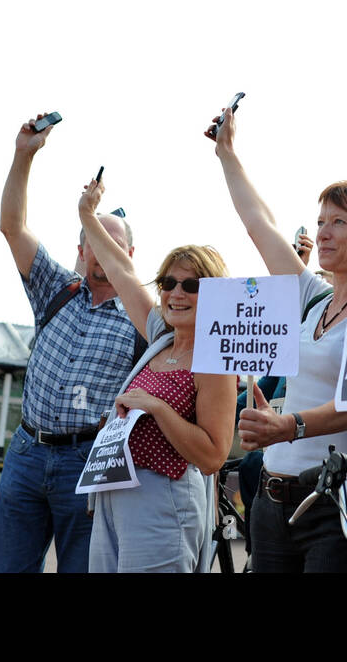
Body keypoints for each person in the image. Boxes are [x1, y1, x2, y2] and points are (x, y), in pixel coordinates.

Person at [211, 104, 347, 572]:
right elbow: (259, 226)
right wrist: (227, 154)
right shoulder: (313, 297)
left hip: (338, 505)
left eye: (338, 222)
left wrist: (287, 426)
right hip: (271, 501)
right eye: (320, 222)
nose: (323, 233)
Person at [0, 112, 142, 573]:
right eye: (93, 240)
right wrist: (24, 155)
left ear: (130, 257)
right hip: (26, 453)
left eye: (112, 241)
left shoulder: (144, 318)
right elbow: (12, 227)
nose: (102, 249)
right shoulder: (56, 289)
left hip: (90, 460)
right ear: (81, 250)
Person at [77, 177, 237, 572]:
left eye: (191, 284)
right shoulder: (161, 337)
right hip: (115, 491)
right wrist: (86, 214)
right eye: (168, 282)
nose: (175, 293)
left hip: (163, 497)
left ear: (214, 293)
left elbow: (214, 455)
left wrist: (156, 409)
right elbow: (120, 270)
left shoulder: (214, 360)